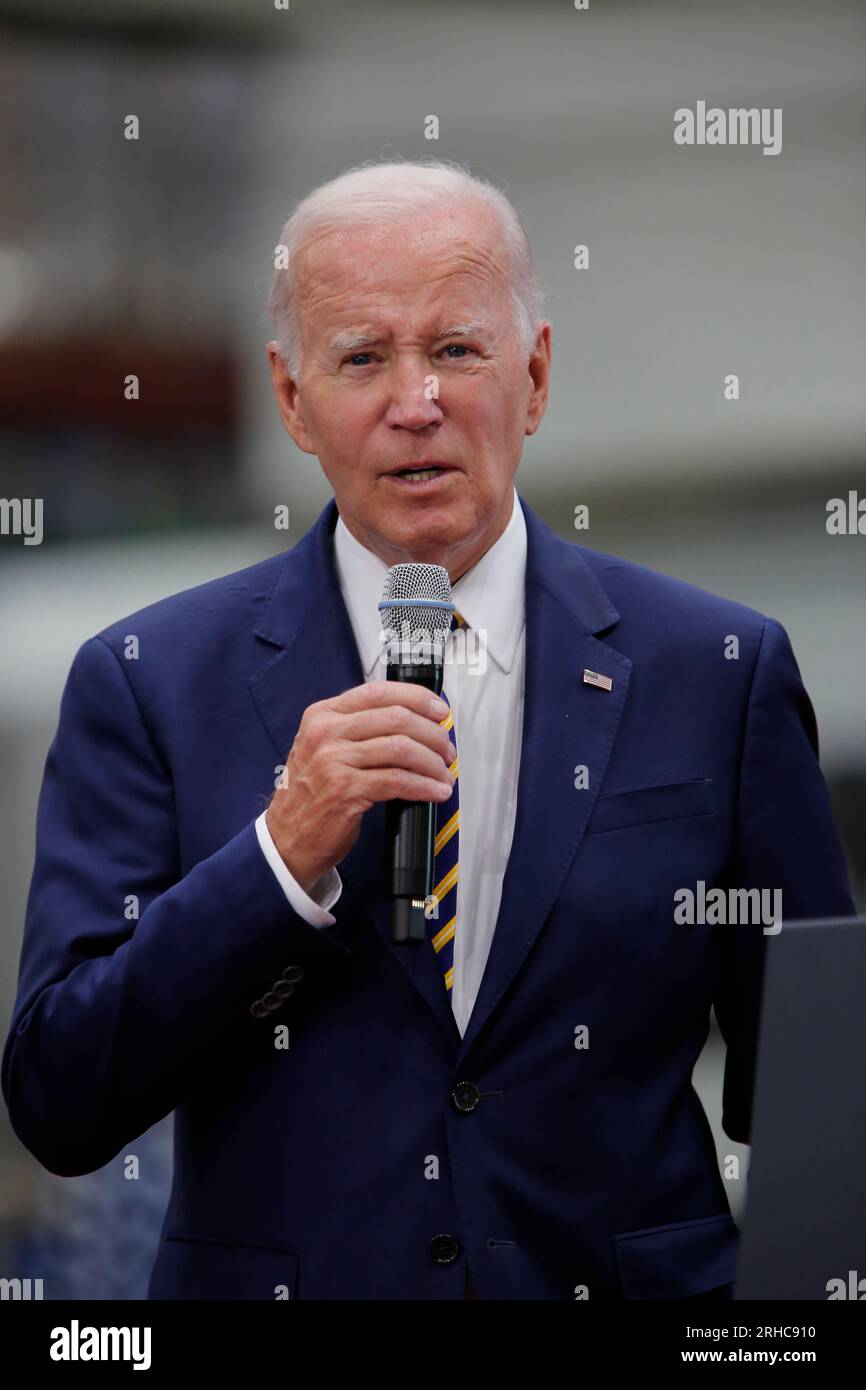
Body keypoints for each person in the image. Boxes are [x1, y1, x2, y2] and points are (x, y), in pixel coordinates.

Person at [2, 159, 855, 1301]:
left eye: (456, 349)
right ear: (293, 399)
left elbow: (821, 1102)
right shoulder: (148, 682)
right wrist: (276, 861)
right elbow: (61, 1095)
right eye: (361, 357)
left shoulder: (715, 671)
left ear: (535, 375)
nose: (417, 401)